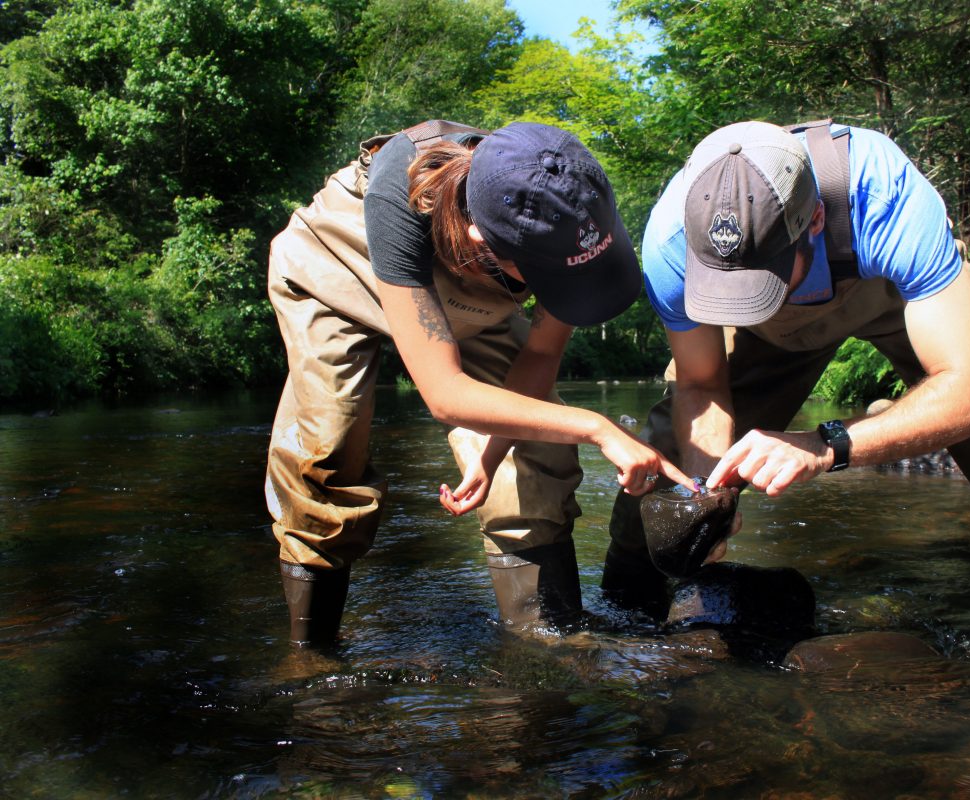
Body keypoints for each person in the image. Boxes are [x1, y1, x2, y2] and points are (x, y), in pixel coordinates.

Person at [604, 120, 970, 643]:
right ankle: (625, 625)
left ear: (815, 222)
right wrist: (709, 498)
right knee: (666, 465)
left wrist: (826, 446)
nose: (746, 290)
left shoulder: (883, 193)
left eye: (764, 272)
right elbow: (701, 385)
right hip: (770, 337)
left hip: (898, 295)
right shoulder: (670, 244)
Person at [265, 119, 689, 646]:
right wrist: (599, 427)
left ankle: (547, 640)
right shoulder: (400, 200)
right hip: (337, 267)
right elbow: (444, 395)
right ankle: (310, 658)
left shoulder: (564, 207)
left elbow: (538, 356)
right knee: (328, 451)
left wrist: (489, 458)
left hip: (473, 296)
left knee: (537, 450)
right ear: (482, 240)